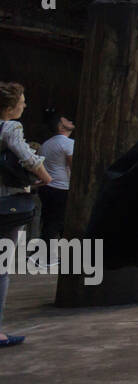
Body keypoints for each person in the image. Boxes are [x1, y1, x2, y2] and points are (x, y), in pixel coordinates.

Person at [1, 83, 53, 348]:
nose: (25, 105)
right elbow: (27, 158)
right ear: (10, 107)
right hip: (6, 202)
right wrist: (45, 177)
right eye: (22, 101)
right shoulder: (10, 127)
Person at [37, 113, 74, 259]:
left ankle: (46, 253)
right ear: (60, 126)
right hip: (61, 188)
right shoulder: (67, 143)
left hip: (46, 187)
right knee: (57, 222)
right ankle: (46, 255)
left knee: (50, 220)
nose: (70, 120)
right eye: (66, 119)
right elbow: (74, 167)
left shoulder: (46, 144)